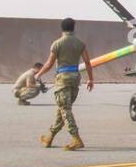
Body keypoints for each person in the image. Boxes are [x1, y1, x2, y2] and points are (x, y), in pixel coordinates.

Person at [34, 18, 93, 150]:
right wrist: (90, 79)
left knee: (65, 110)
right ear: (73, 28)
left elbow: (49, 63)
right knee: (62, 110)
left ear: (62, 28)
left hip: (63, 80)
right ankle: (49, 137)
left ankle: (76, 139)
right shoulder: (80, 43)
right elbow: (88, 62)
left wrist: (38, 74)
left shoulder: (57, 43)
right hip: (75, 80)